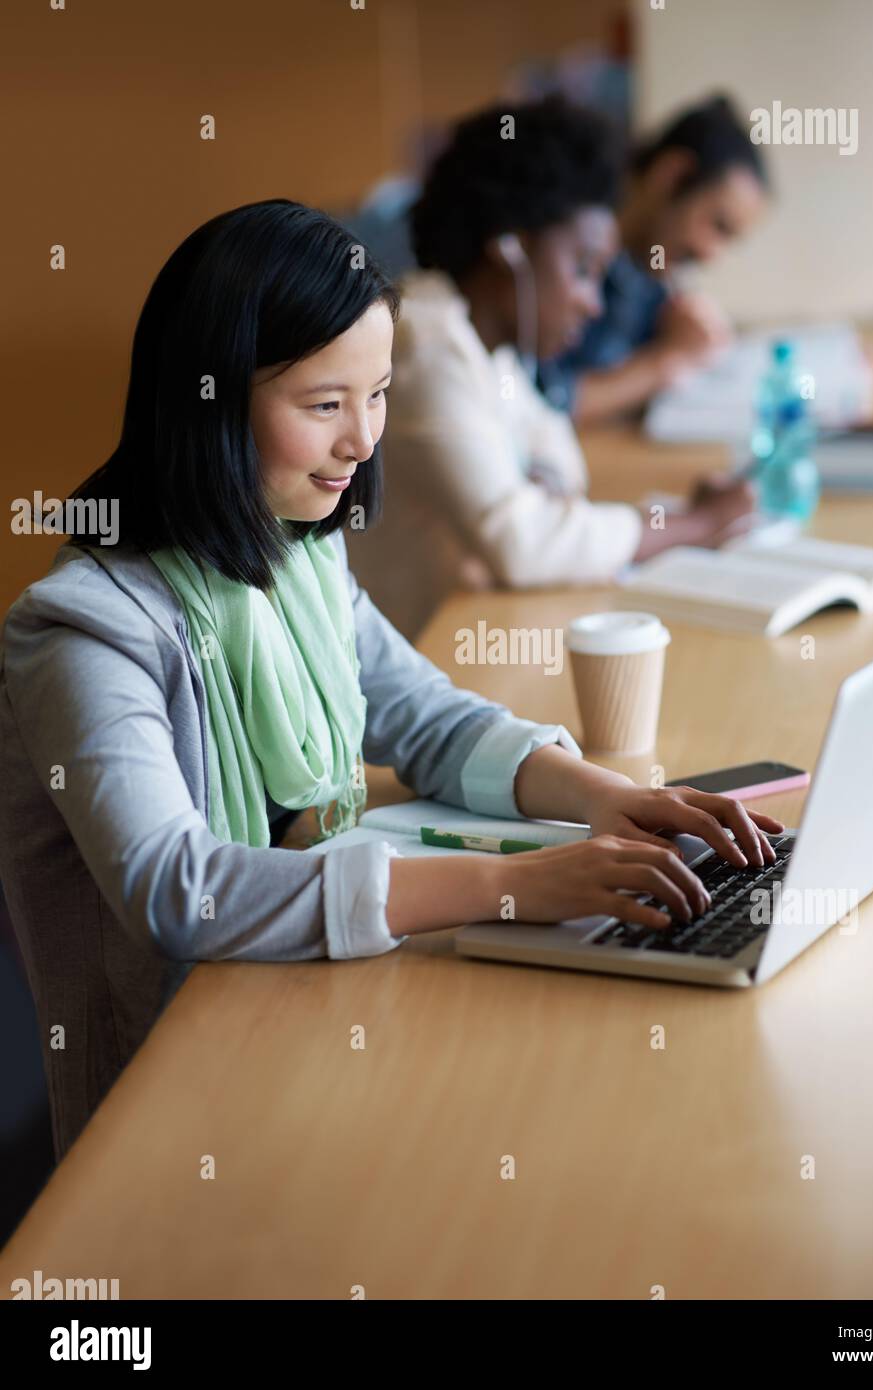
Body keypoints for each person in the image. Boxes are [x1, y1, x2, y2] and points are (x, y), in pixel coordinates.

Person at [0, 199, 782, 1162]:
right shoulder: (85, 630)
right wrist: (508, 888)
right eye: (324, 404)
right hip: (181, 1095)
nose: (364, 440)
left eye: (377, 394)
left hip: (309, 1016)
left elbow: (419, 715)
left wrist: (610, 798)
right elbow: (177, 888)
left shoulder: (294, 552)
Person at [344, 97, 754, 643]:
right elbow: (523, 542)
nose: (593, 302)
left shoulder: (496, 348)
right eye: (582, 269)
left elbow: (559, 458)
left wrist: (548, 493)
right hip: (415, 663)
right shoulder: (425, 345)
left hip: (473, 630)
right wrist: (694, 527)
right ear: (509, 249)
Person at [538, 93, 770, 424]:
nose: (710, 255)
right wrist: (666, 360)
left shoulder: (647, 273)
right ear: (672, 175)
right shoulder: (561, 249)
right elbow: (539, 402)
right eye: (717, 225)